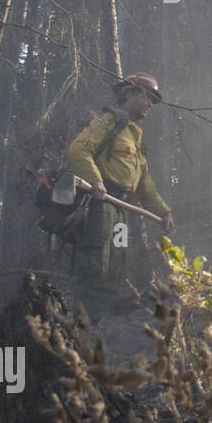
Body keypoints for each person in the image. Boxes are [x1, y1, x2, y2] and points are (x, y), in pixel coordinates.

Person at [67, 72, 174, 317]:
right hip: (100, 204)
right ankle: (82, 325)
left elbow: (144, 183)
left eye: (154, 101)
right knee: (96, 263)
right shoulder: (109, 122)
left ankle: (102, 325)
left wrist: (164, 211)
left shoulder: (135, 137)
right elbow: (78, 151)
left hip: (121, 209)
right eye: (147, 97)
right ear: (129, 95)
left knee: (116, 262)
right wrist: (96, 181)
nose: (150, 104)